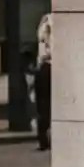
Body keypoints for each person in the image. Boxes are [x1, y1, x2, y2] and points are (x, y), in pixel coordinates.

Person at [35, 12, 53, 151]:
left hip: (44, 65)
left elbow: (41, 39)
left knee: (43, 105)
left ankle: (43, 139)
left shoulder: (46, 18)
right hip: (53, 65)